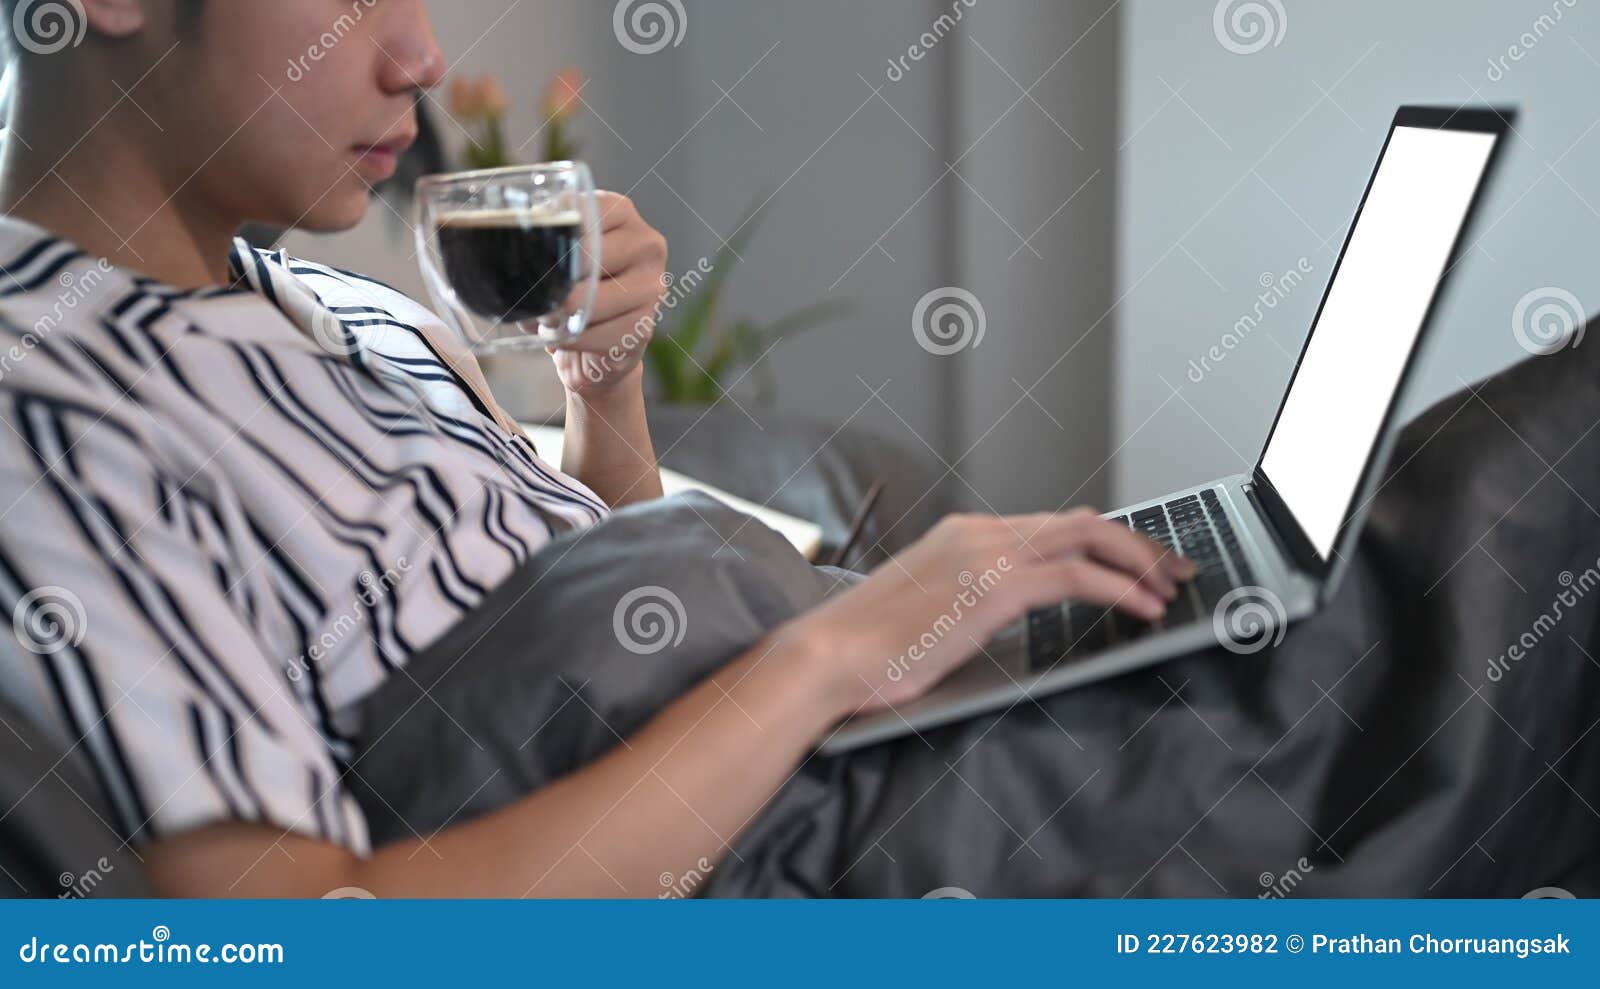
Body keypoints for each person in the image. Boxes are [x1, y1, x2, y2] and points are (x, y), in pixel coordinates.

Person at [0, 0, 1191, 897]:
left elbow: (580, 585)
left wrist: (603, 390)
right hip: (817, 841)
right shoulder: (49, 410)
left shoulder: (351, 308)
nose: (420, 56)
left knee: (1224, 614)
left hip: (860, 735)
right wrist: (831, 654)